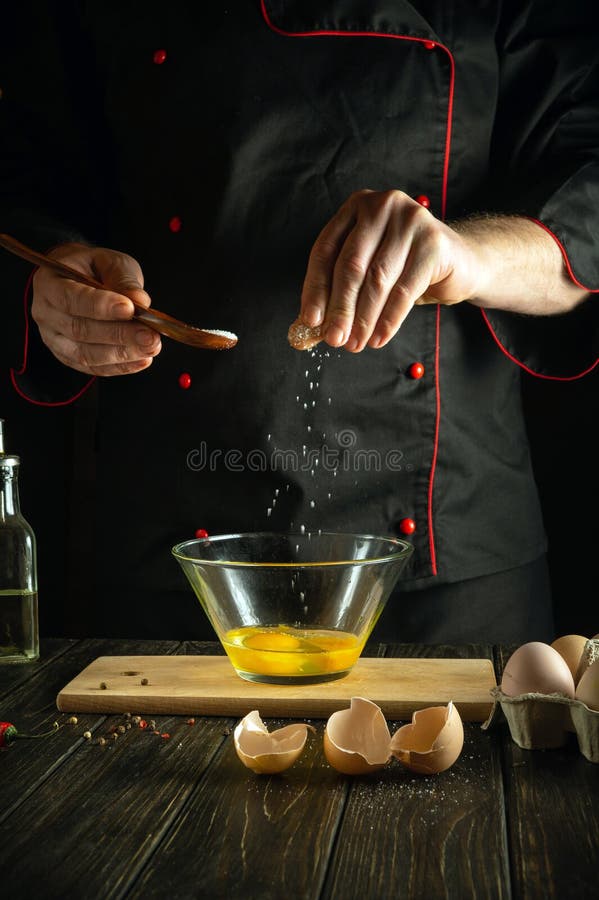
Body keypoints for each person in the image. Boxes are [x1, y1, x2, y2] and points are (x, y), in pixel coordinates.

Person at [1, 2, 598, 643]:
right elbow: (22, 166)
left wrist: (469, 256)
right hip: (174, 553)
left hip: (448, 561)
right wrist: (50, 275)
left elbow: (587, 190)